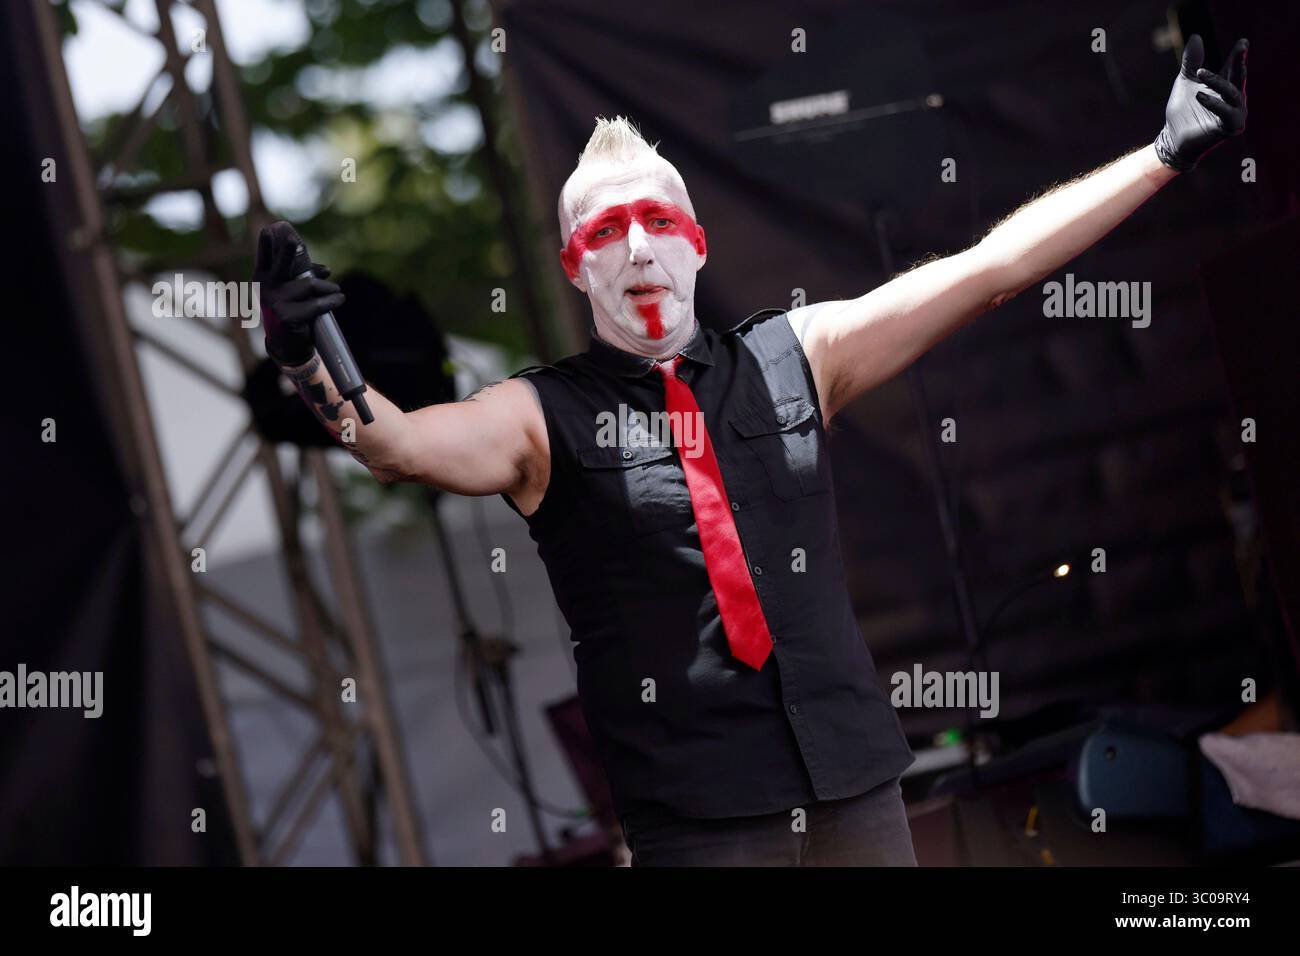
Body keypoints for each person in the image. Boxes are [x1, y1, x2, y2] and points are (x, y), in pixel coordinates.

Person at [253, 35, 1247, 866]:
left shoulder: (799, 355)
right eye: (606, 230)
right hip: (701, 816)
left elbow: (989, 270)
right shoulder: (536, 416)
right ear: (575, 265)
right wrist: (309, 360)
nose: (636, 248)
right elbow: (393, 444)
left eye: (655, 221)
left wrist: (1159, 154)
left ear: (694, 242)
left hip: (853, 776)